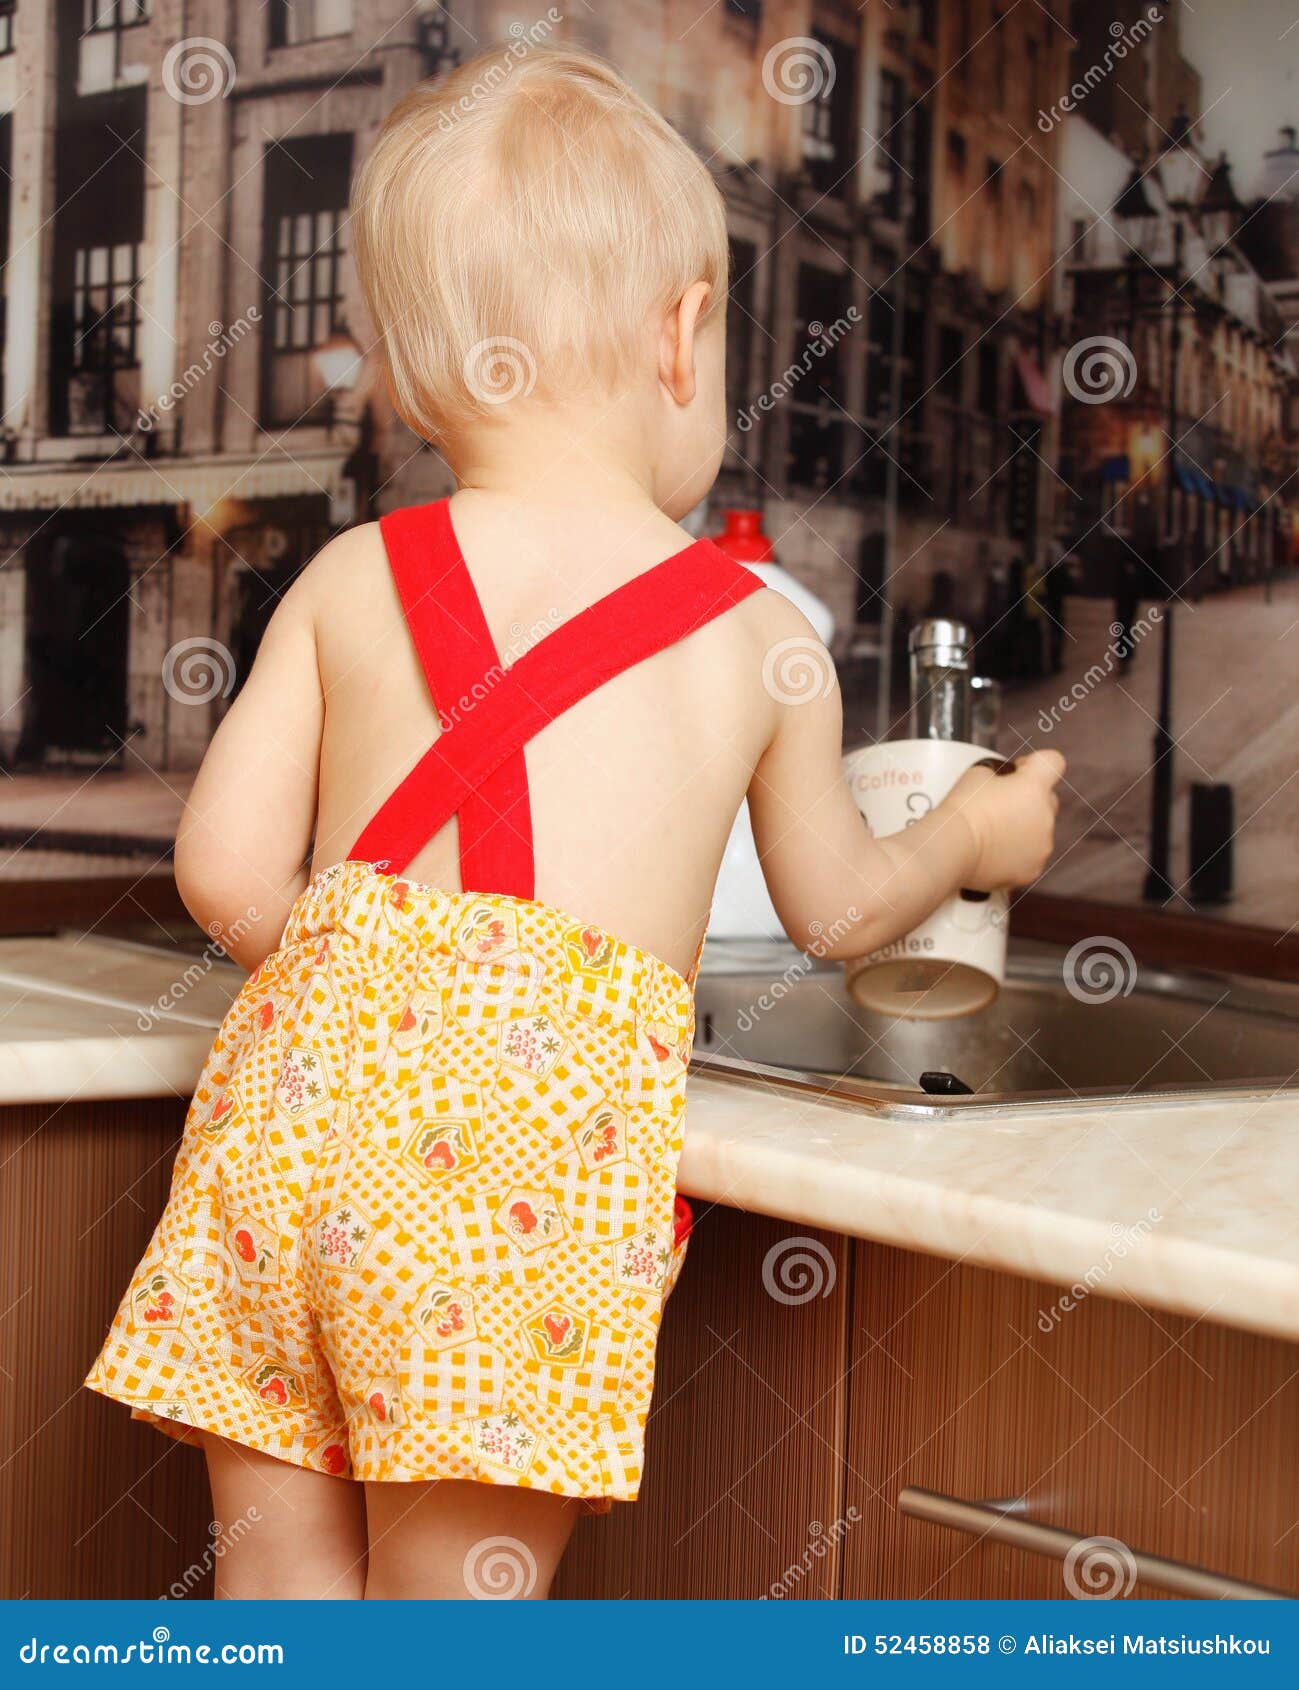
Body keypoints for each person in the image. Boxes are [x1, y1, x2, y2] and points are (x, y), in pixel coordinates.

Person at [85, 45, 1063, 1601]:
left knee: (278, 1599)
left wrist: (390, 985)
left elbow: (220, 871)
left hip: (281, 1141)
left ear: (407, 374)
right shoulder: (753, 633)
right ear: (685, 339)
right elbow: (841, 913)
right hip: (513, 1192)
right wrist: (973, 840)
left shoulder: (348, 578)